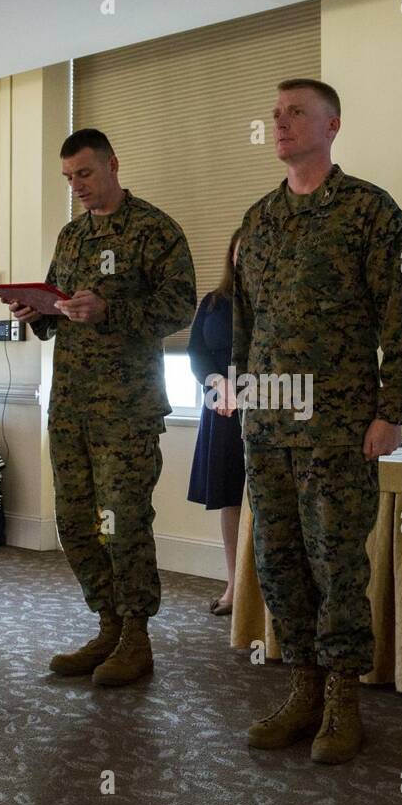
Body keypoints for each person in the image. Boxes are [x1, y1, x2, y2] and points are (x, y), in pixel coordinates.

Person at [233, 79, 402, 764]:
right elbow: (244, 325)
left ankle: (345, 700)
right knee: (279, 564)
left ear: (333, 124)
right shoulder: (257, 220)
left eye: (296, 114)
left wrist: (392, 410)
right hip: (267, 431)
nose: (281, 124)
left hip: (339, 429)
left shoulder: (370, 212)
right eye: (276, 115)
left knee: (338, 565)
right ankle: (304, 690)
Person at [9, 128, 196, 686]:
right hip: (69, 403)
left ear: (113, 163)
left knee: (124, 522)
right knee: (74, 522)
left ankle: (137, 638)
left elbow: (179, 307)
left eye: (85, 174)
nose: (77, 187)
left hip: (127, 406)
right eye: (68, 179)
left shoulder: (155, 230)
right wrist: (36, 309)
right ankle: (107, 625)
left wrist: (110, 309)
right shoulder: (71, 237)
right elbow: (59, 305)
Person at [186, 228, 246, 616]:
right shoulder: (213, 302)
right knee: (230, 497)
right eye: (239, 252)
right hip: (221, 408)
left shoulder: (277, 302)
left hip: (270, 405)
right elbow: (196, 351)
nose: (245, 259)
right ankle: (234, 586)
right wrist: (217, 382)